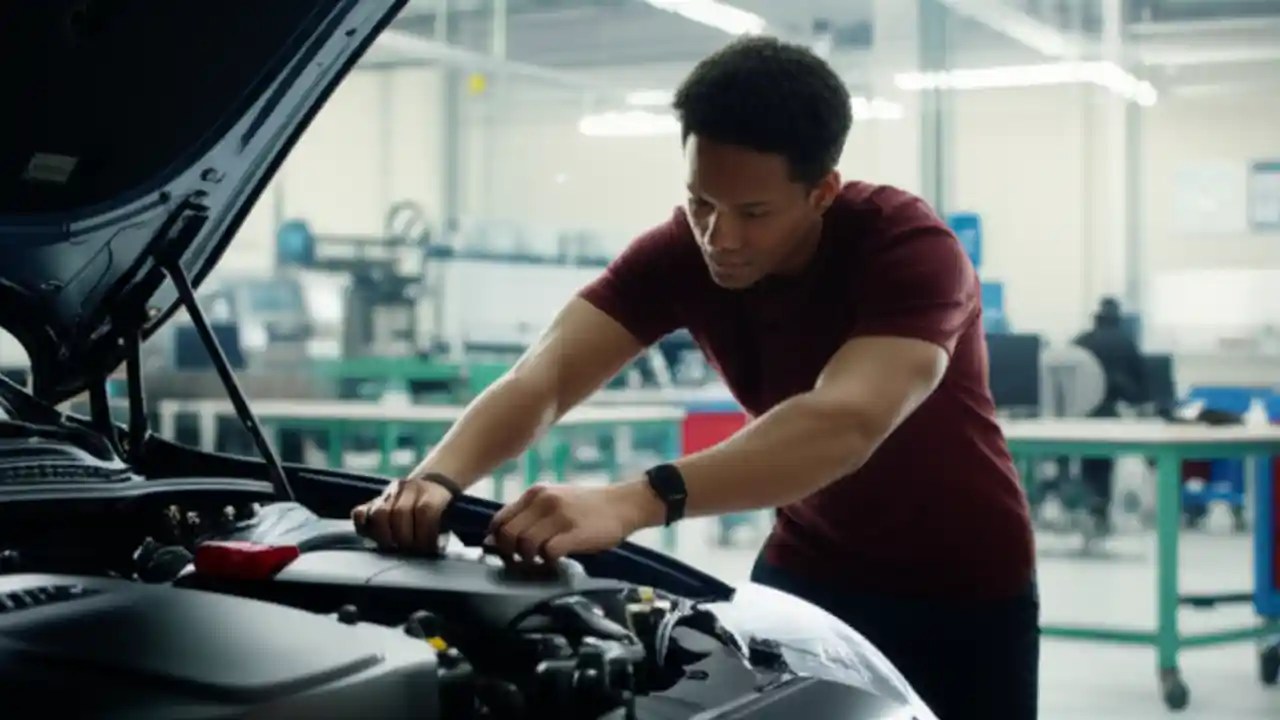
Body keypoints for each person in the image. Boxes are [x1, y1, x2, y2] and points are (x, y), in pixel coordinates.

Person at [352, 36, 1039, 719]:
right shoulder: (678, 252)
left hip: (962, 585)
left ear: (822, 191)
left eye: (754, 213)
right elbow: (546, 376)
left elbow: (847, 419)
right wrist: (435, 480)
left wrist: (632, 502)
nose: (720, 237)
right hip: (809, 567)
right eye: (702, 201)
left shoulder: (908, 248)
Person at [1072, 296, 1148, 533]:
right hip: (1110, 413)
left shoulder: (1081, 341)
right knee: (1104, 462)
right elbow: (1140, 385)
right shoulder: (1126, 343)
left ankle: (1088, 505)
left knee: (1087, 461)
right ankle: (1101, 508)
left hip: (1078, 416)